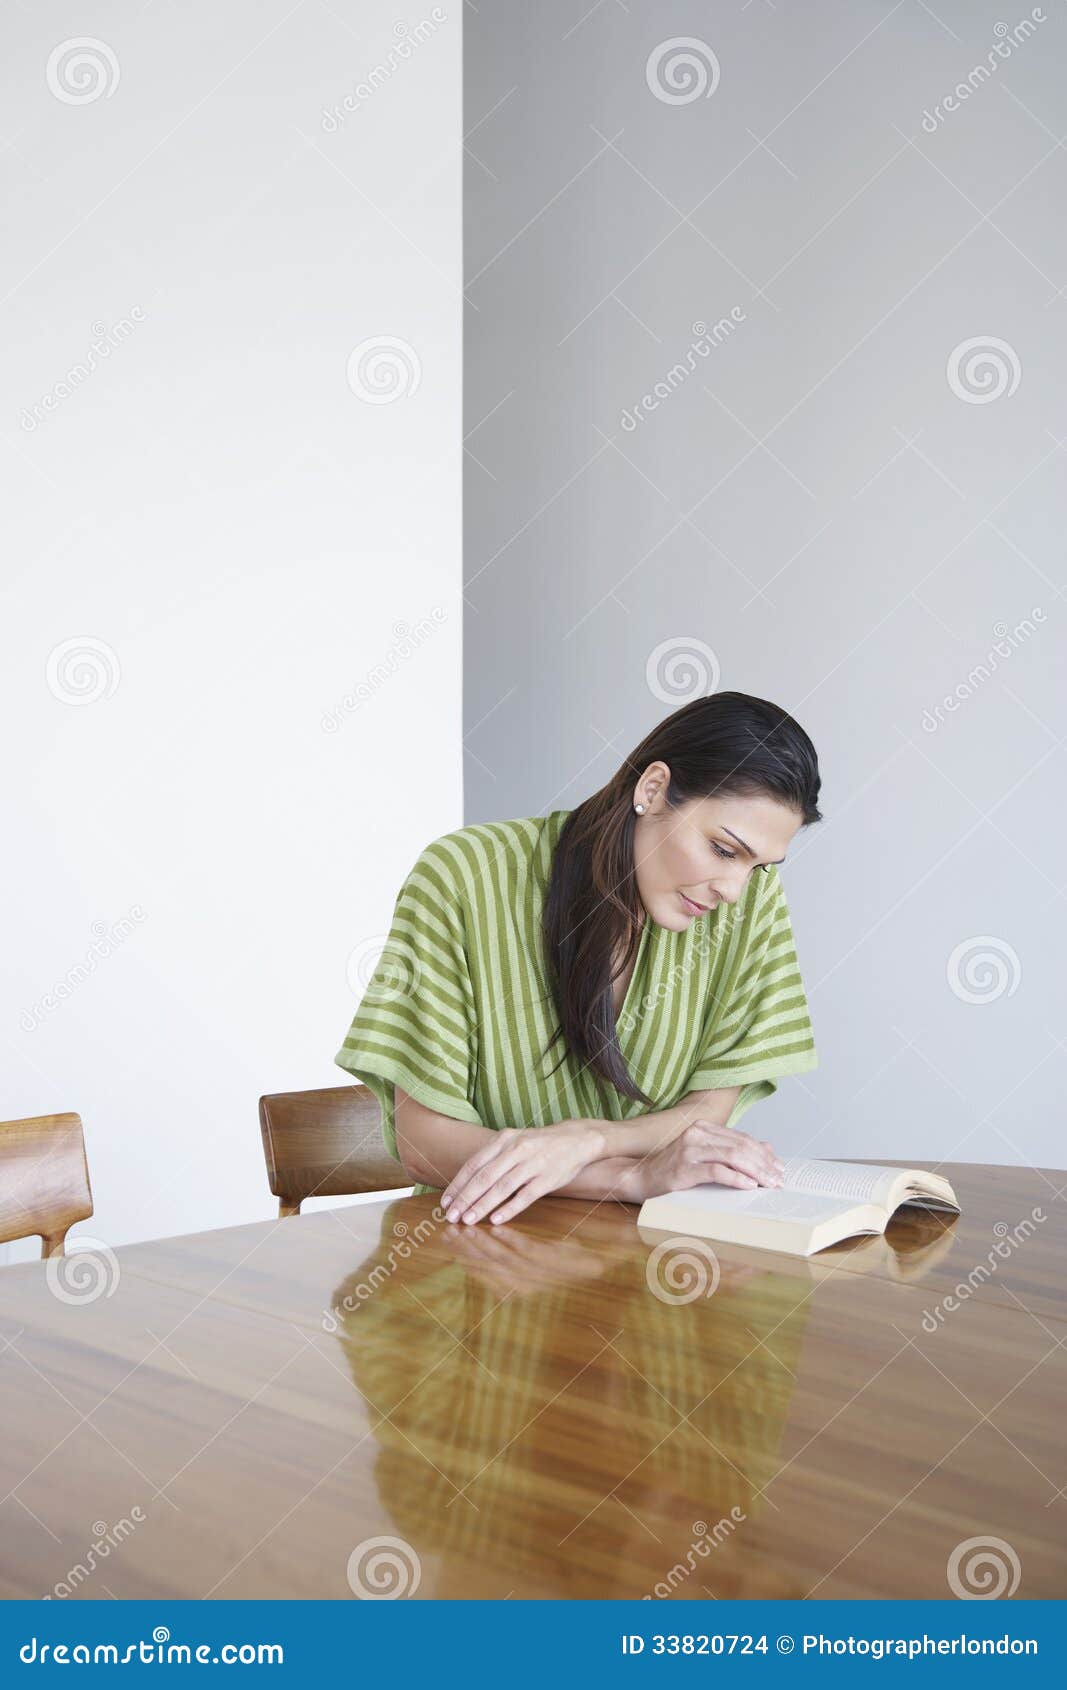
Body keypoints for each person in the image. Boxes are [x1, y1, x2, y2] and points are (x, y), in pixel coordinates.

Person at [334, 690, 821, 1225]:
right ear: (654, 790)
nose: (733, 888)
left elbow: (706, 1113)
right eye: (725, 850)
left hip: (650, 1263)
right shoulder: (463, 877)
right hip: (474, 1254)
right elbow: (423, 1140)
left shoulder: (747, 903)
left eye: (760, 866)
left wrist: (589, 1139)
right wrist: (628, 1177)